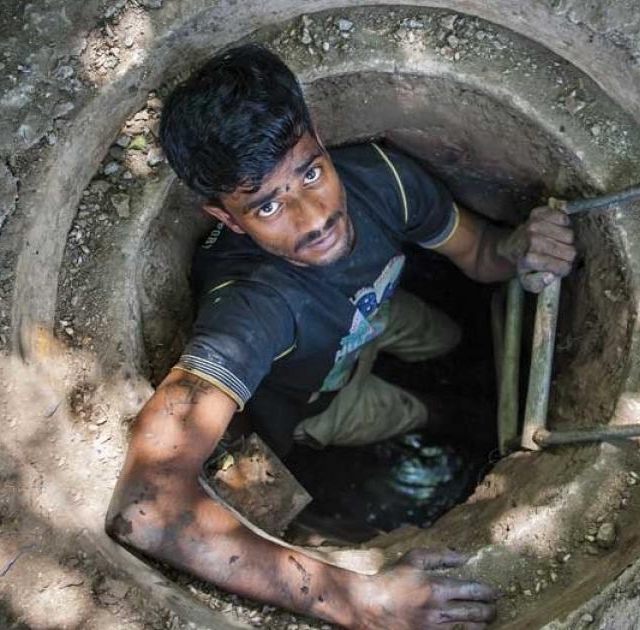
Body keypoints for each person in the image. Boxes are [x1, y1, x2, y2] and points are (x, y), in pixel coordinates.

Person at [105, 44, 577, 629]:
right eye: (267, 205)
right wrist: (361, 602)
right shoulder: (253, 307)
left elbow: (481, 253)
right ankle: (451, 414)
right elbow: (146, 508)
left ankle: (463, 376)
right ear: (227, 219)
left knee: (451, 336)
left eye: (309, 172)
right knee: (418, 412)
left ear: (322, 142)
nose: (314, 219)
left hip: (377, 313)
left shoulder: (383, 181)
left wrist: (520, 248)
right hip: (320, 402)